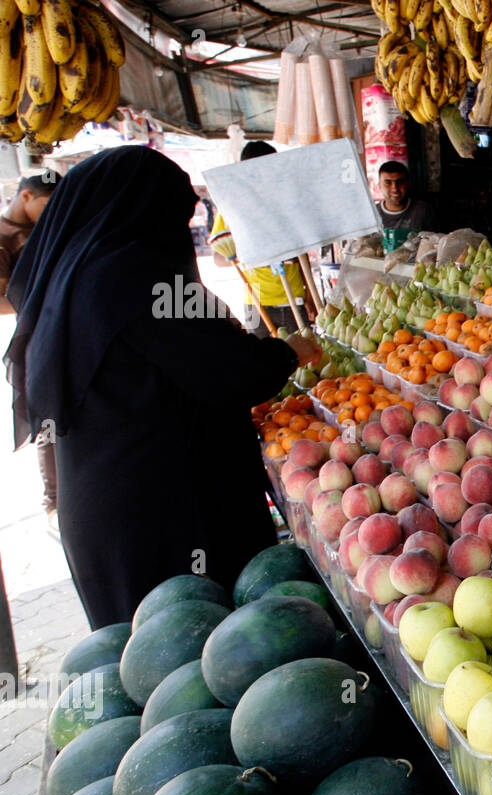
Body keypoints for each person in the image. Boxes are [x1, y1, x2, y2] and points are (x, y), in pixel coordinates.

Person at [3, 146, 322, 630]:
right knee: (195, 651)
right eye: (174, 214)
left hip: (107, 504)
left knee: (148, 660)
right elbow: (227, 371)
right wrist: (288, 352)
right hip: (160, 512)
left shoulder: (72, 272)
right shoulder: (131, 276)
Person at [0, 171, 61, 529]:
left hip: (56, 331)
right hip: (34, 338)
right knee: (46, 421)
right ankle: (53, 500)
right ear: (25, 196)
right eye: (44, 204)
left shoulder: (44, 230)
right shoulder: (4, 237)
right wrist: (42, 299)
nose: (49, 211)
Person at [209, 140, 309, 337]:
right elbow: (218, 258)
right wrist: (251, 253)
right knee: (267, 363)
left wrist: (310, 299)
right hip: (256, 303)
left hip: (294, 300)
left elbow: (300, 254)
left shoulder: (287, 204)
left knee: (306, 361)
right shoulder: (232, 208)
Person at [376, 160, 435, 232]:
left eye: (400, 182)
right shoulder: (373, 213)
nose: (395, 188)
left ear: (408, 184)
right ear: (379, 186)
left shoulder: (423, 210)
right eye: (388, 183)